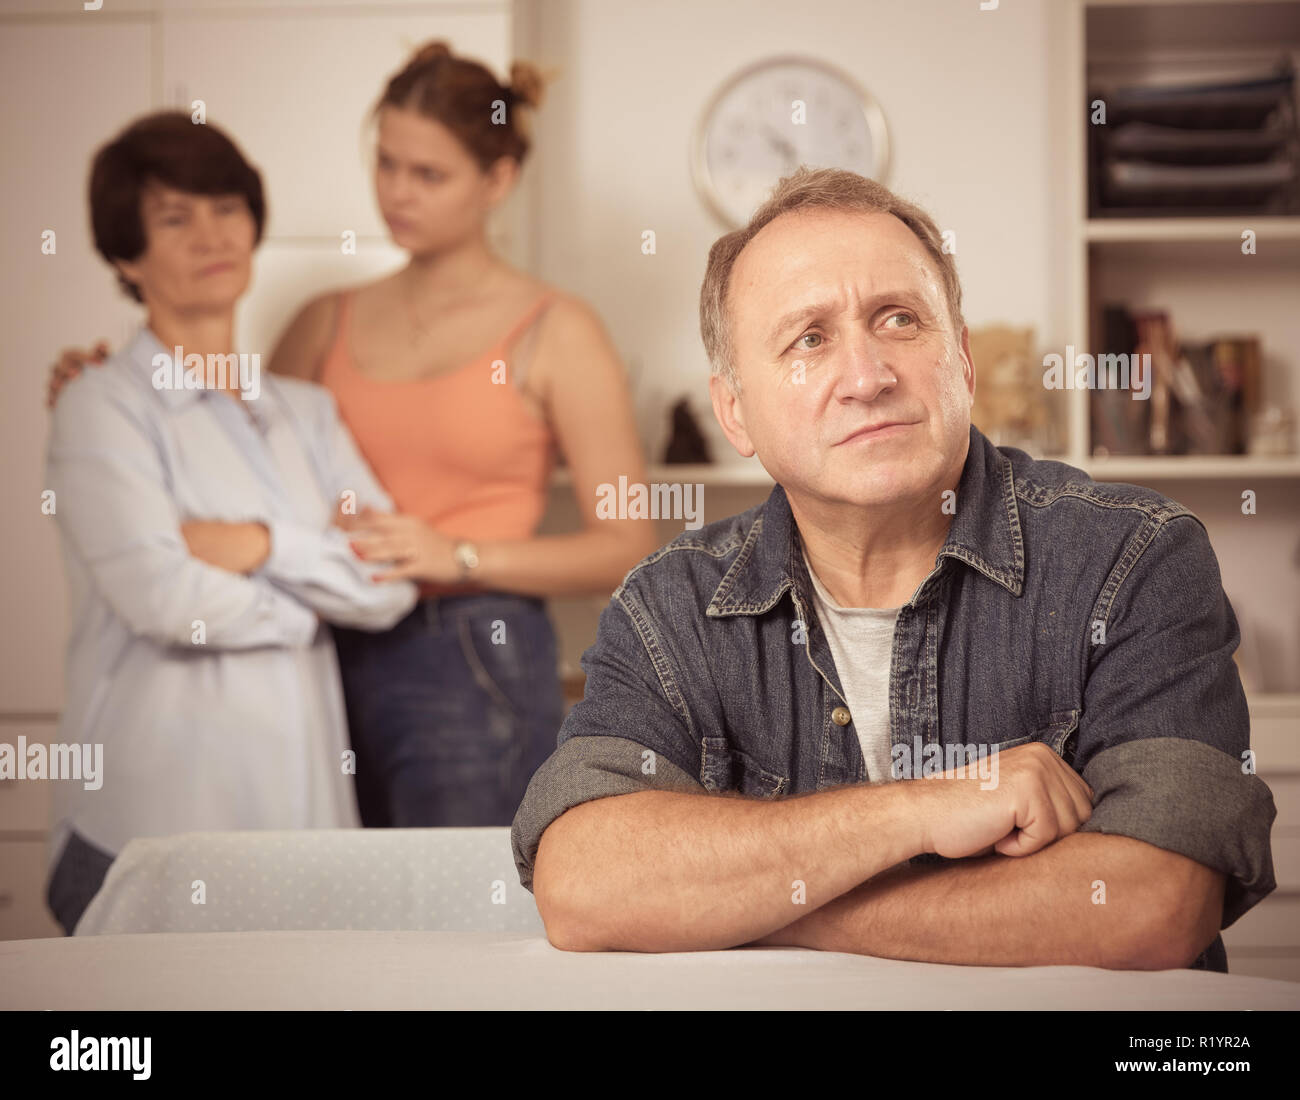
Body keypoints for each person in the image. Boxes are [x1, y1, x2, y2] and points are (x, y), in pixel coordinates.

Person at [511, 166, 1277, 971]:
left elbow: (1153, 906)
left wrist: (750, 904)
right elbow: (582, 880)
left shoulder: (1136, 559)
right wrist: (919, 810)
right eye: (809, 339)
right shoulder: (668, 606)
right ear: (734, 411)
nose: (867, 377)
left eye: (900, 320)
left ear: (965, 362)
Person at [48, 42, 660, 831]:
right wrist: (104, 382)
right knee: (335, 908)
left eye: (429, 175)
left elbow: (627, 547)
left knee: (460, 916)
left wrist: (459, 555)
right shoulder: (323, 321)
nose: (398, 194)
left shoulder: (558, 331)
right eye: (386, 164)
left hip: (471, 651)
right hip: (329, 647)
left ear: (498, 181)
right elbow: (227, 437)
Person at [44, 112, 417, 934]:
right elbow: (165, 599)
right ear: (125, 256)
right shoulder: (101, 405)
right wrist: (317, 599)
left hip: (301, 822)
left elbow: (388, 590)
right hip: (146, 826)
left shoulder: (306, 414)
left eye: (226, 206)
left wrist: (258, 545)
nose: (211, 234)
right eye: (174, 218)